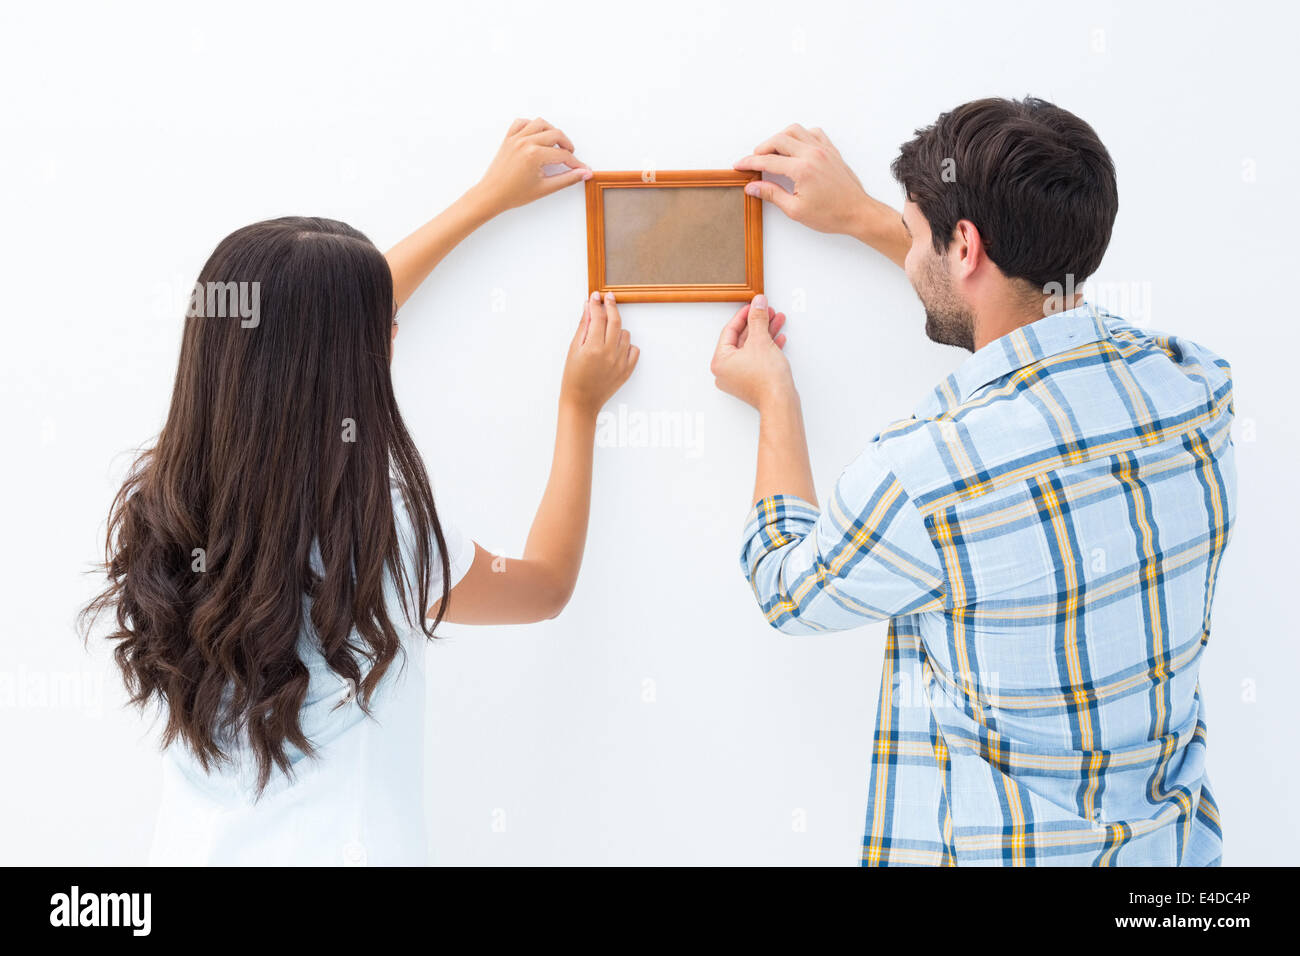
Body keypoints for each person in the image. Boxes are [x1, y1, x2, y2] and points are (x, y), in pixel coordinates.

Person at [81, 118, 639, 865]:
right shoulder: (376, 532)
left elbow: (289, 331)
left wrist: (483, 201)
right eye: (384, 326)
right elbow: (542, 587)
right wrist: (579, 406)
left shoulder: (166, 501)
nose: (396, 332)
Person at [715, 98, 1234, 866]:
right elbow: (1033, 312)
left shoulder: (924, 479)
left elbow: (787, 588)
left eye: (914, 233)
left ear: (964, 247)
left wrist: (773, 396)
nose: (908, 247)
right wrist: (862, 214)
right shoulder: (1196, 387)